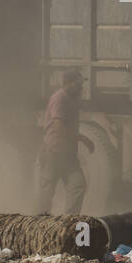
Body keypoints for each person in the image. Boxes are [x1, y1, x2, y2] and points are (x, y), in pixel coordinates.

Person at [36, 68, 95, 214]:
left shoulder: (72, 99)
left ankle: (68, 223)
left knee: (78, 185)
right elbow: (58, 126)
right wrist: (82, 138)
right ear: (68, 83)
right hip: (53, 152)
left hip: (68, 154)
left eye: (81, 84)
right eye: (78, 84)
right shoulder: (59, 98)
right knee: (47, 191)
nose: (81, 87)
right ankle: (38, 224)